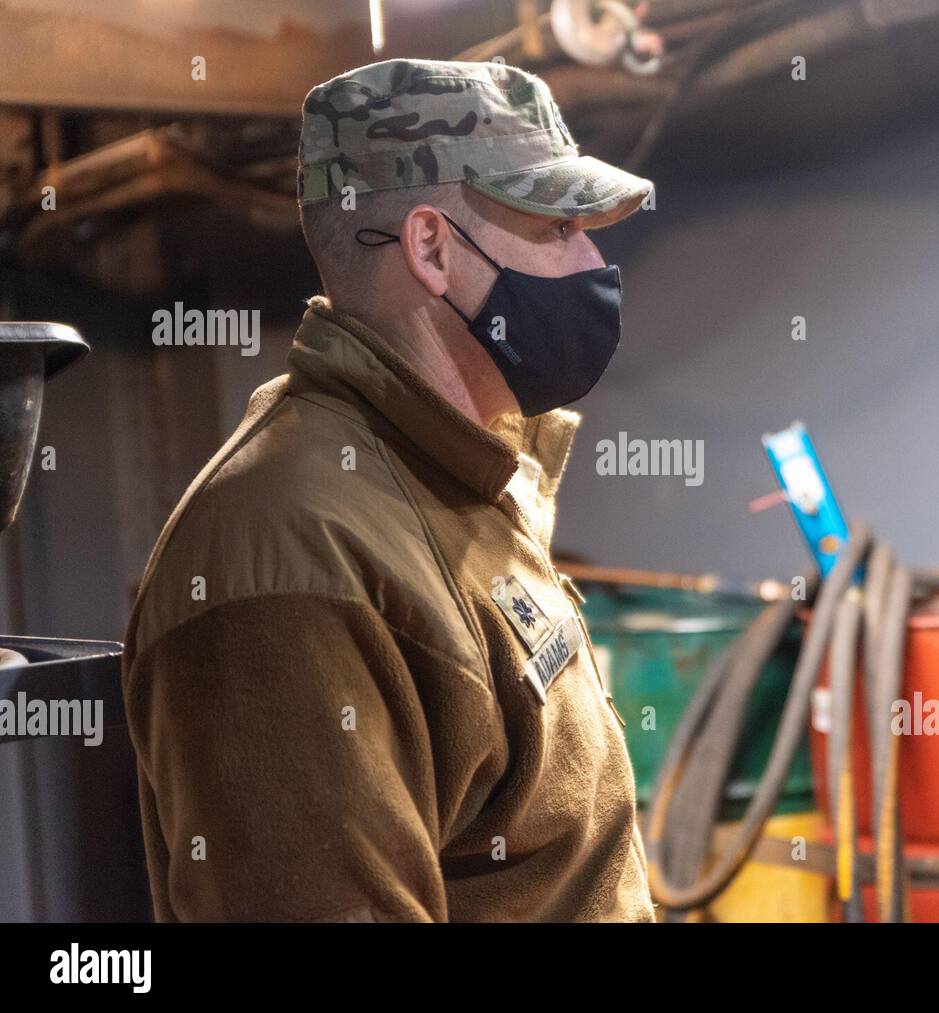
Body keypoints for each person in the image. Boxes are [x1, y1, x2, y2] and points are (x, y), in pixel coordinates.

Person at [122, 59, 657, 922]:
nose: (594, 260)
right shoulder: (293, 557)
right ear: (431, 248)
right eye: (557, 228)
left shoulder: (456, 478)